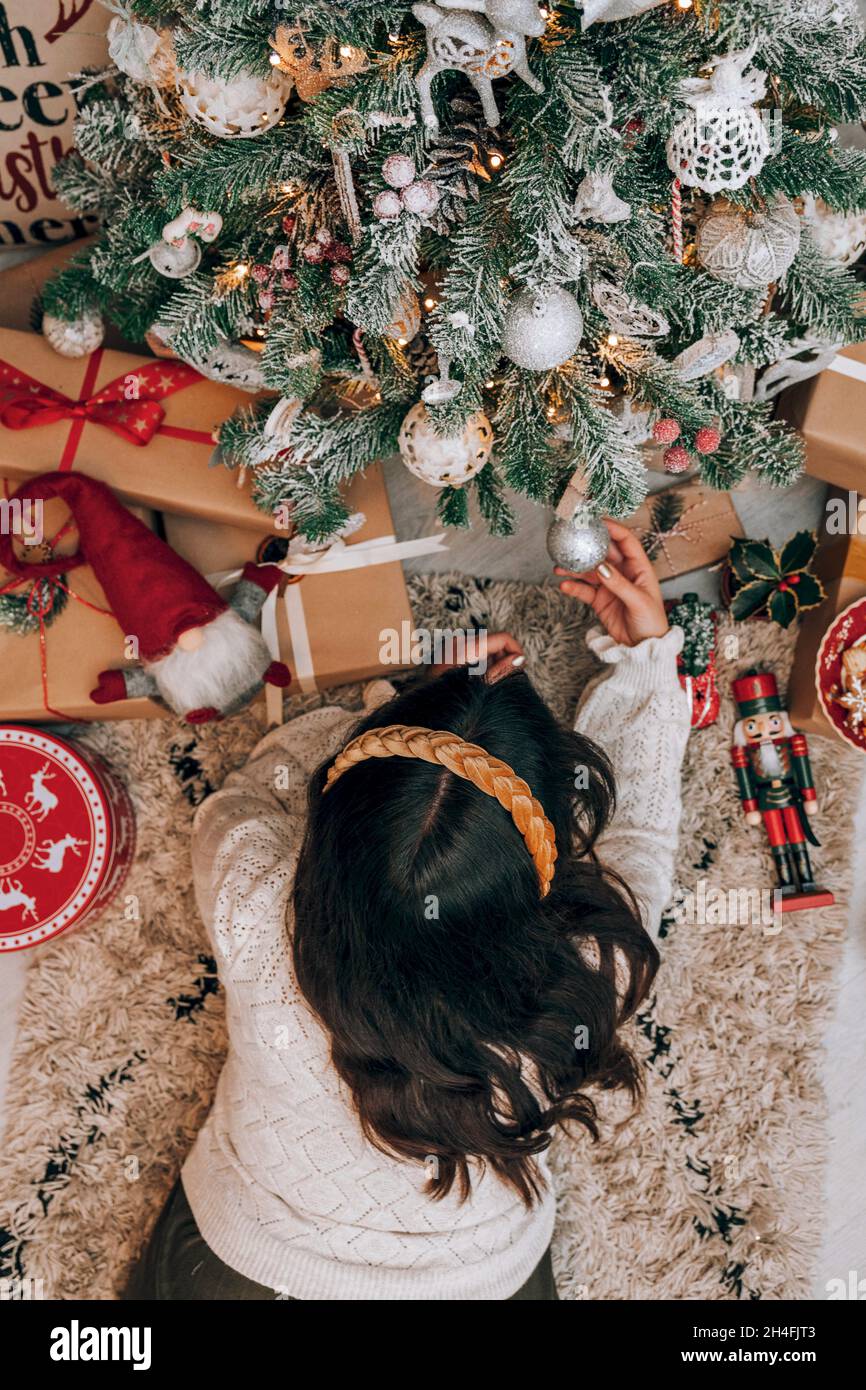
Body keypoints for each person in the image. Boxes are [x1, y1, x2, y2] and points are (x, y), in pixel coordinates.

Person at [123, 520, 691, 1301]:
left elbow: (250, 792)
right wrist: (647, 662)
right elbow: (641, 835)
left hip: (256, 1257)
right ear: (549, 867)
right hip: (472, 1282)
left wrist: (395, 711)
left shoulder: (253, 896)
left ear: (329, 829)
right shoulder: (588, 967)